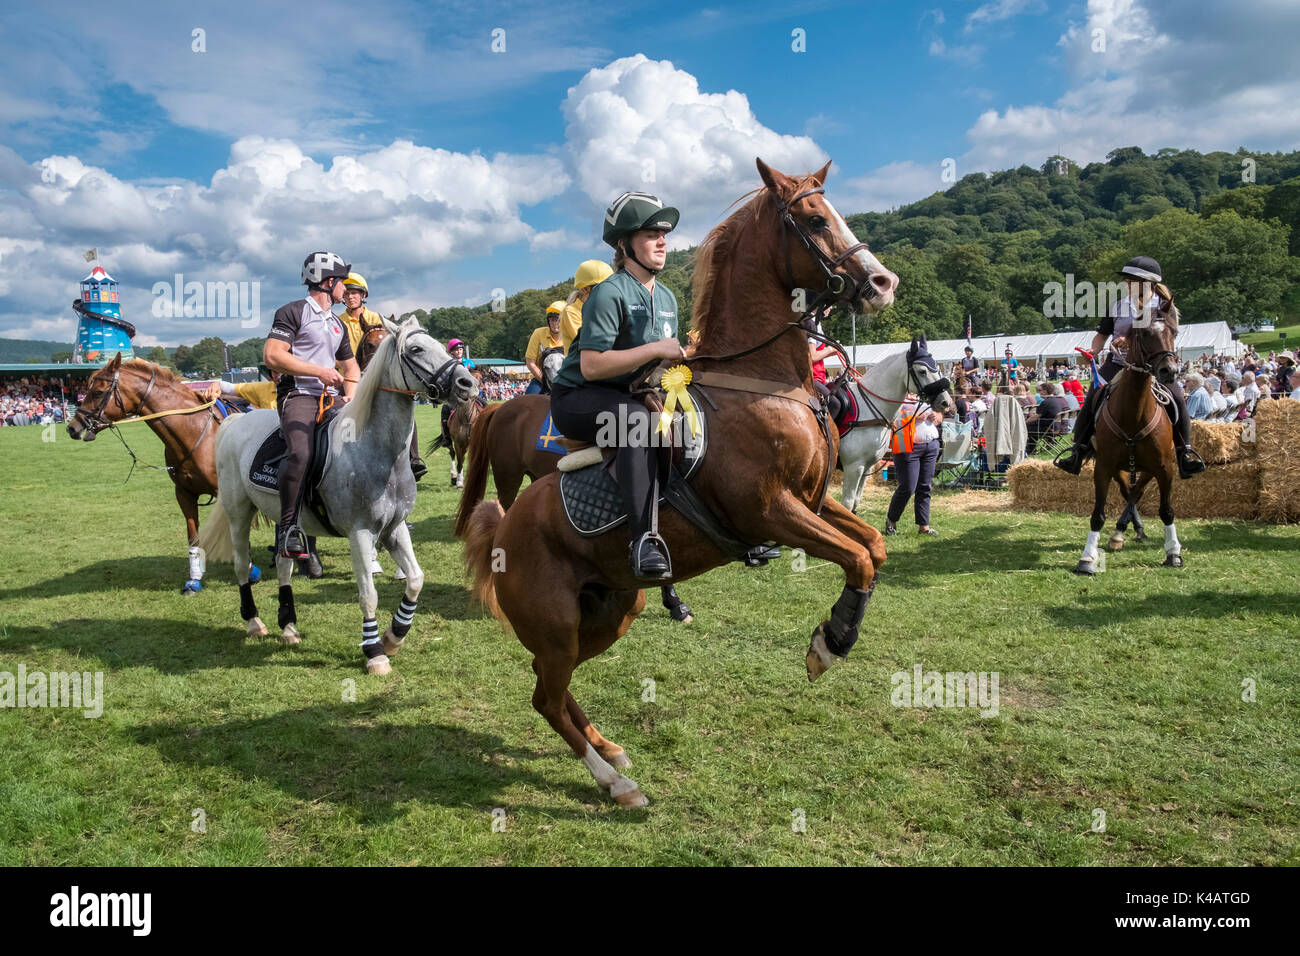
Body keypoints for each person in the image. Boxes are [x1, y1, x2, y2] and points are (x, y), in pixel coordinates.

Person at [550, 190, 686, 579]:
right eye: (650, 234)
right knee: (636, 424)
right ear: (625, 244)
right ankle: (643, 540)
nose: (662, 241)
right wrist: (655, 348)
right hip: (578, 397)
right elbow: (592, 366)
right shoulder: (609, 292)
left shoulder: (670, 299)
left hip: (625, 395)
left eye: (665, 233)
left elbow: (657, 367)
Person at [1054, 256, 1204, 478]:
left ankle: (1185, 454)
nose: (1128, 285)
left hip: (1153, 366)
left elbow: (1165, 336)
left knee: (1178, 399)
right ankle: (1078, 451)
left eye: (1132, 281)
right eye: (1127, 281)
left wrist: (1130, 339)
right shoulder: (1116, 306)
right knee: (1092, 397)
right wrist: (1094, 351)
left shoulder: (1165, 307)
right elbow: (1102, 335)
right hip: (1118, 363)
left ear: (1148, 283)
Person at [263, 251, 360, 560]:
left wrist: (352, 393)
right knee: (301, 453)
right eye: (343, 282)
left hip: (332, 399)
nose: (346, 289)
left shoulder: (337, 324)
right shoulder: (292, 312)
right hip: (298, 395)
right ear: (329, 282)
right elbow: (273, 355)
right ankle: (289, 528)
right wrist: (320, 371)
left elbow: (352, 368)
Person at [339, 272, 427, 481]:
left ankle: (413, 459)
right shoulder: (337, 322)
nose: (351, 297)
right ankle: (340, 460)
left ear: (363, 295)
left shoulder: (378, 320)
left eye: (355, 293)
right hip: (347, 379)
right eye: (348, 293)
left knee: (404, 411)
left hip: (377, 378)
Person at [884, 397, 941, 536]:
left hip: (931, 445)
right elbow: (894, 417)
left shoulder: (928, 395)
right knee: (908, 487)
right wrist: (914, 417)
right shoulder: (900, 395)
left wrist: (936, 416)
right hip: (908, 447)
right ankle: (891, 521)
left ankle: (924, 527)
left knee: (925, 486)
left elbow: (940, 415)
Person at [431, 339, 477, 451]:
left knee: (485, 407)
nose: (459, 352)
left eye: (460, 349)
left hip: (471, 395)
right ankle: (446, 438)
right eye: (456, 350)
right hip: (455, 396)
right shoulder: (448, 364)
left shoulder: (470, 363)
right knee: (445, 410)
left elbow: (477, 376)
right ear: (451, 352)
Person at [560, 260, 615, 355]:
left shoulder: (601, 310)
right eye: (602, 288)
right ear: (585, 289)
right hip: (577, 368)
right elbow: (589, 344)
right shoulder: (571, 312)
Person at [524, 302, 565, 394]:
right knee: (529, 401)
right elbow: (530, 363)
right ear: (548, 321)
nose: (555, 323)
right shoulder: (538, 333)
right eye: (552, 320)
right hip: (541, 379)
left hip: (565, 381)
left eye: (559, 320)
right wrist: (546, 382)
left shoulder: (571, 335)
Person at [1026, 382, 1069, 453]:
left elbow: (1036, 416)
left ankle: (1030, 450)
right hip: (1056, 427)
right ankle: (1032, 449)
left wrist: (1026, 421)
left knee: (1026, 427)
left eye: (1040, 390)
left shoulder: (1046, 402)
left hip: (1049, 429)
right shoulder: (1055, 400)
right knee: (1031, 426)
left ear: (1045, 391)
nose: (1038, 392)